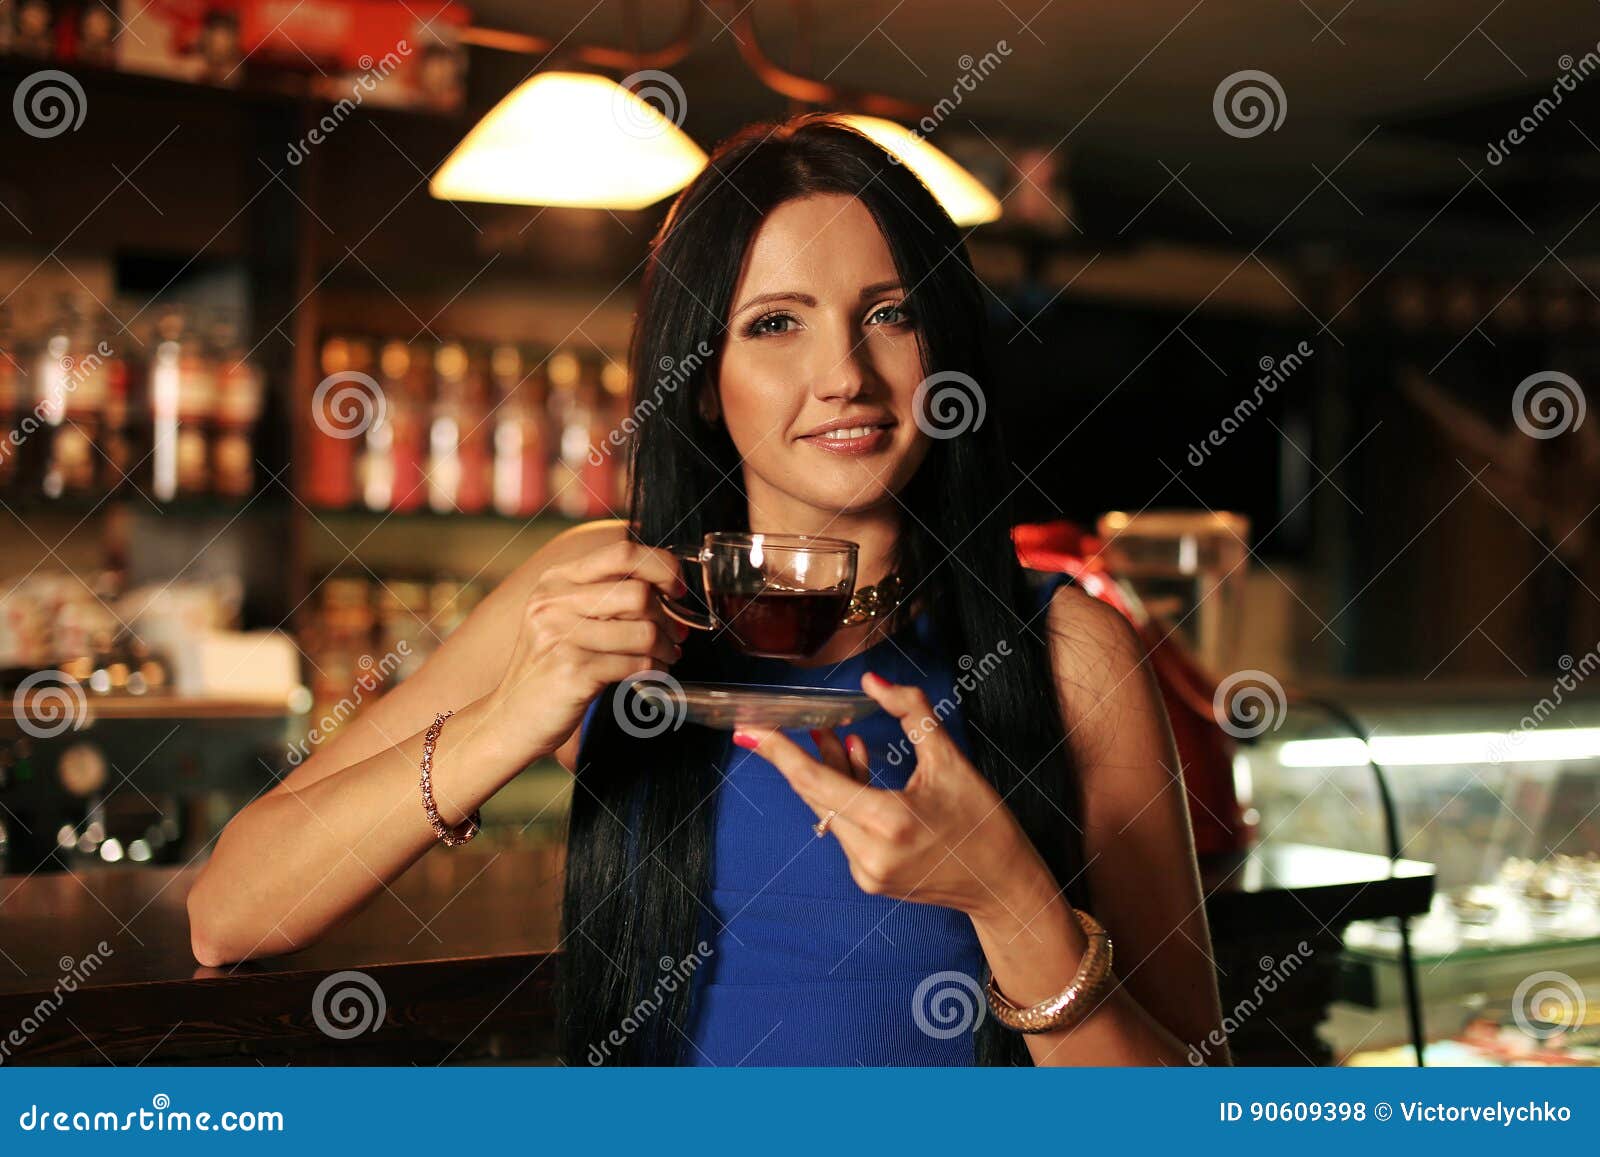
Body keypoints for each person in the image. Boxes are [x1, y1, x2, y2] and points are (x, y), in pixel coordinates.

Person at [187, 114, 1228, 1066]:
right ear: (699, 380)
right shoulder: (602, 593)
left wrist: (1008, 898)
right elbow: (227, 911)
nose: (845, 375)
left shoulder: (1068, 648)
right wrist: (507, 719)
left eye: (890, 314)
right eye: (775, 323)